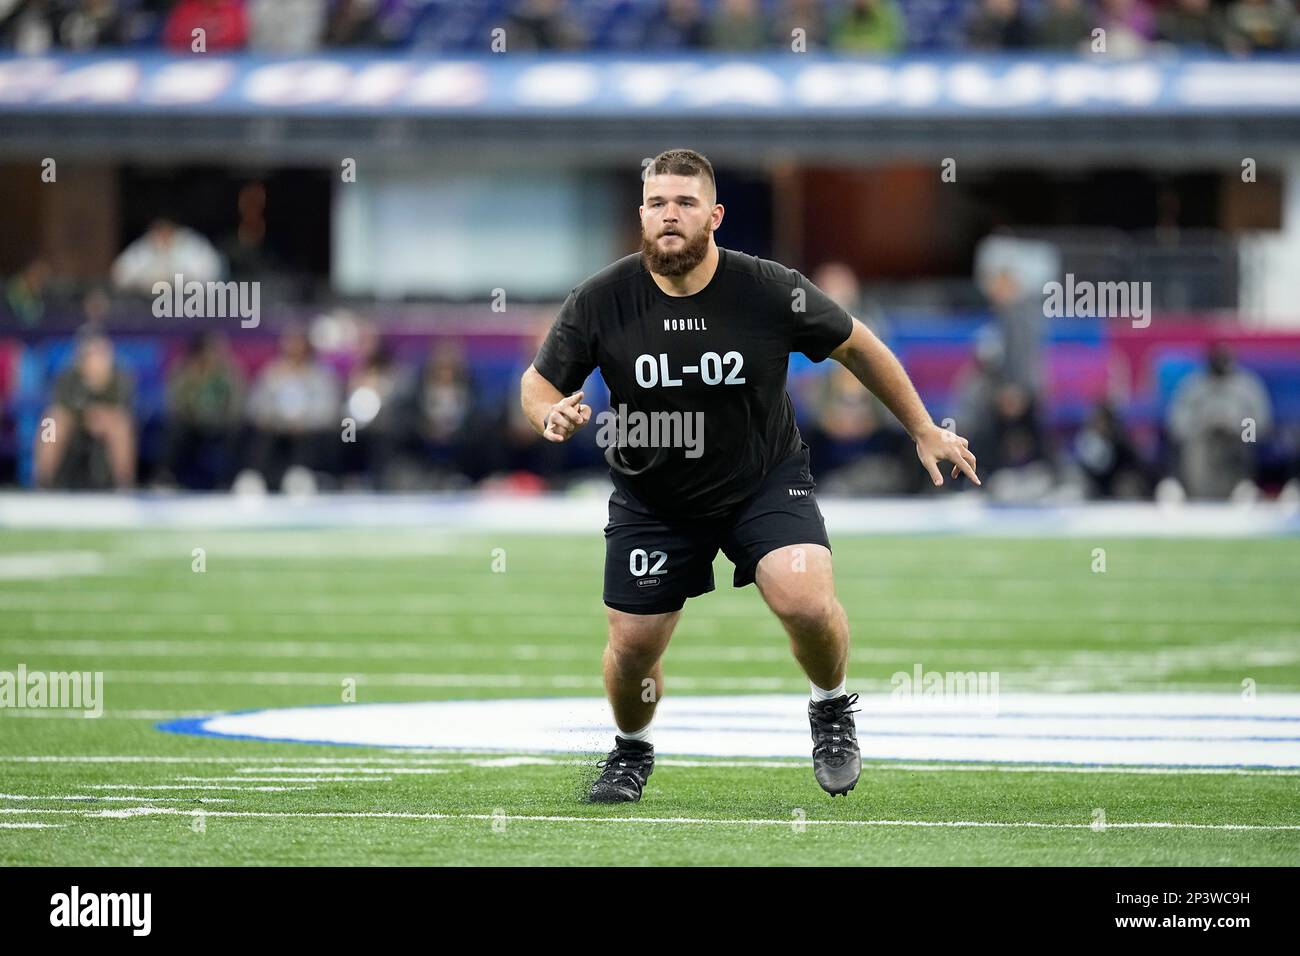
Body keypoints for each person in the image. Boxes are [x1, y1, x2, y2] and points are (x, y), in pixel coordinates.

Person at [519, 148, 979, 803]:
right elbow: (537, 384)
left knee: (805, 598)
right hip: (655, 497)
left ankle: (831, 707)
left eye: (684, 203)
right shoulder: (601, 299)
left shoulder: (769, 288)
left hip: (763, 479)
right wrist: (548, 415)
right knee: (632, 649)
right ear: (641, 215)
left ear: (716, 215)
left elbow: (857, 344)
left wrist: (923, 428)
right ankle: (630, 751)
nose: (669, 216)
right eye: (656, 204)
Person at [34, 327, 136, 490]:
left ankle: (124, 485)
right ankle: (43, 481)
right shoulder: (68, 376)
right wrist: (86, 414)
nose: (96, 359)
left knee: (120, 424)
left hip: (107, 425)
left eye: (101, 354)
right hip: (74, 424)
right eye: (91, 354)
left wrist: (100, 410)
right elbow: (61, 406)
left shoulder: (120, 377)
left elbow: (123, 407)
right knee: (50, 421)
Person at [1167, 344, 1272, 499]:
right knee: (1197, 450)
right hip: (1202, 436)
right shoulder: (1193, 385)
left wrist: (1238, 427)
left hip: (1237, 437)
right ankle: (1200, 497)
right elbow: (1177, 420)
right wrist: (1201, 425)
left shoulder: (1248, 385)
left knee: (1243, 446)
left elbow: (1261, 420)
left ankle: (1240, 491)